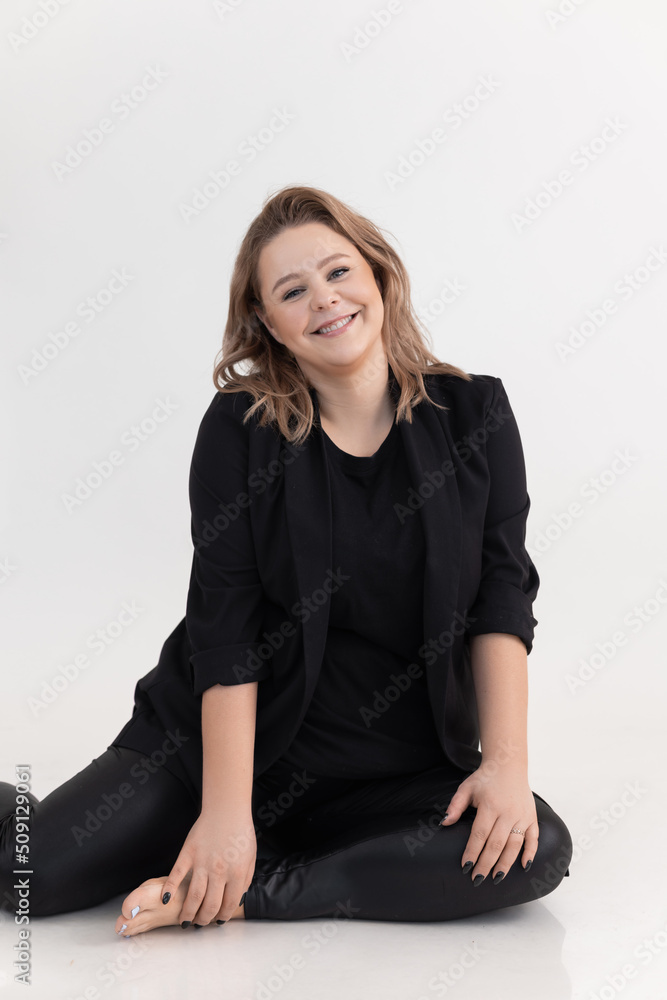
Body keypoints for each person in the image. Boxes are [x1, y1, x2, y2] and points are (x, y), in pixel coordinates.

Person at [1, 185, 572, 937]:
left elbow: (502, 597)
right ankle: (238, 847)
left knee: (536, 847)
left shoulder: (475, 414)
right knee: (32, 877)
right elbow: (225, 630)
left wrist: (503, 765)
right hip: (219, 754)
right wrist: (226, 814)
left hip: (393, 772)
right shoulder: (241, 428)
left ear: (377, 275)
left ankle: (257, 888)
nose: (324, 301)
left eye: (338, 273)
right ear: (267, 322)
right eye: (292, 291)